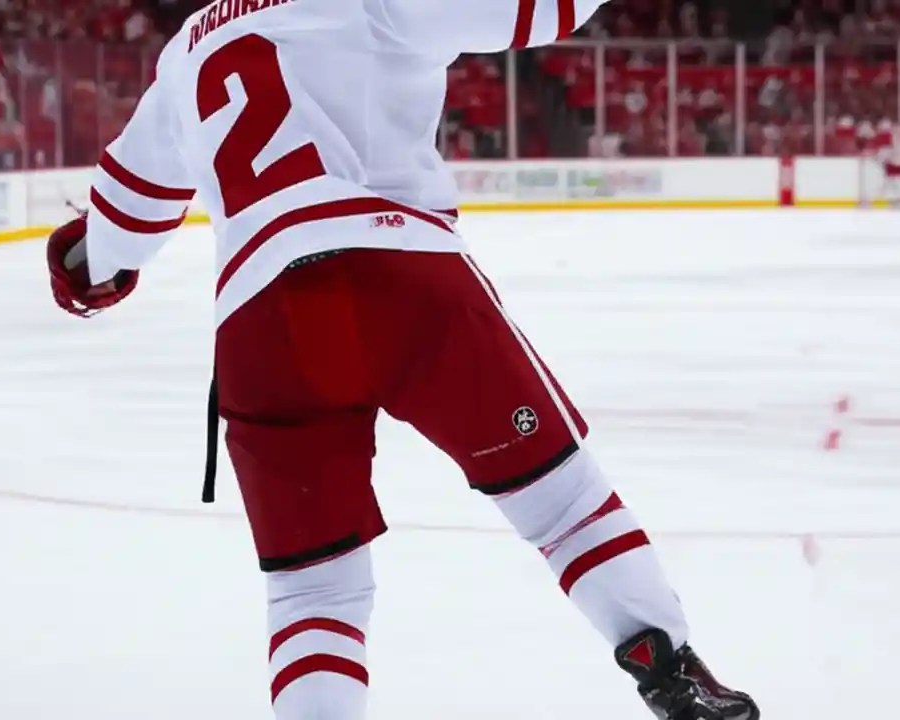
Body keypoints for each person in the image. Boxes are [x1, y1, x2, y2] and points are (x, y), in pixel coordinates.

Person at [45, 1, 760, 718]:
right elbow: (538, 9)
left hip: (261, 318)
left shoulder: (188, 48)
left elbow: (118, 228)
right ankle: (671, 673)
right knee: (562, 502)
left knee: (313, 589)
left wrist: (84, 260)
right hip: (400, 272)